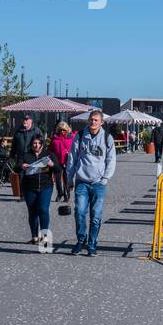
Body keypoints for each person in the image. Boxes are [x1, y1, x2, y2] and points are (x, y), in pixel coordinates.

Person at [66, 109, 116, 256]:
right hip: (82, 181)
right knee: (79, 212)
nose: (93, 122)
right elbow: (72, 158)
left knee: (96, 216)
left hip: (99, 183)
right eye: (91, 119)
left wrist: (105, 178)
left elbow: (111, 160)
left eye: (96, 120)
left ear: (101, 122)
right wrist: (69, 178)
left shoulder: (107, 138)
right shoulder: (80, 136)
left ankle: (92, 243)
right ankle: (81, 240)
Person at [19, 134, 56, 244]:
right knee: (33, 212)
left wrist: (52, 164)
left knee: (43, 209)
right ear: (31, 144)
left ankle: (44, 236)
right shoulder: (26, 155)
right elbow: (17, 167)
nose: (37, 145)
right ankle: (34, 236)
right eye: (34, 143)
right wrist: (22, 166)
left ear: (42, 144)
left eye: (39, 143)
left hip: (45, 186)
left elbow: (58, 168)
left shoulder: (48, 154)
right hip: (29, 187)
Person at [51, 122, 75, 203]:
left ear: (67, 129)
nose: (62, 132)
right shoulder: (54, 138)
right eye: (60, 130)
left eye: (64, 130)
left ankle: (67, 194)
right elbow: (51, 149)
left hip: (67, 161)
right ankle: (60, 193)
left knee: (66, 178)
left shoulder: (71, 137)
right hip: (57, 161)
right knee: (57, 179)